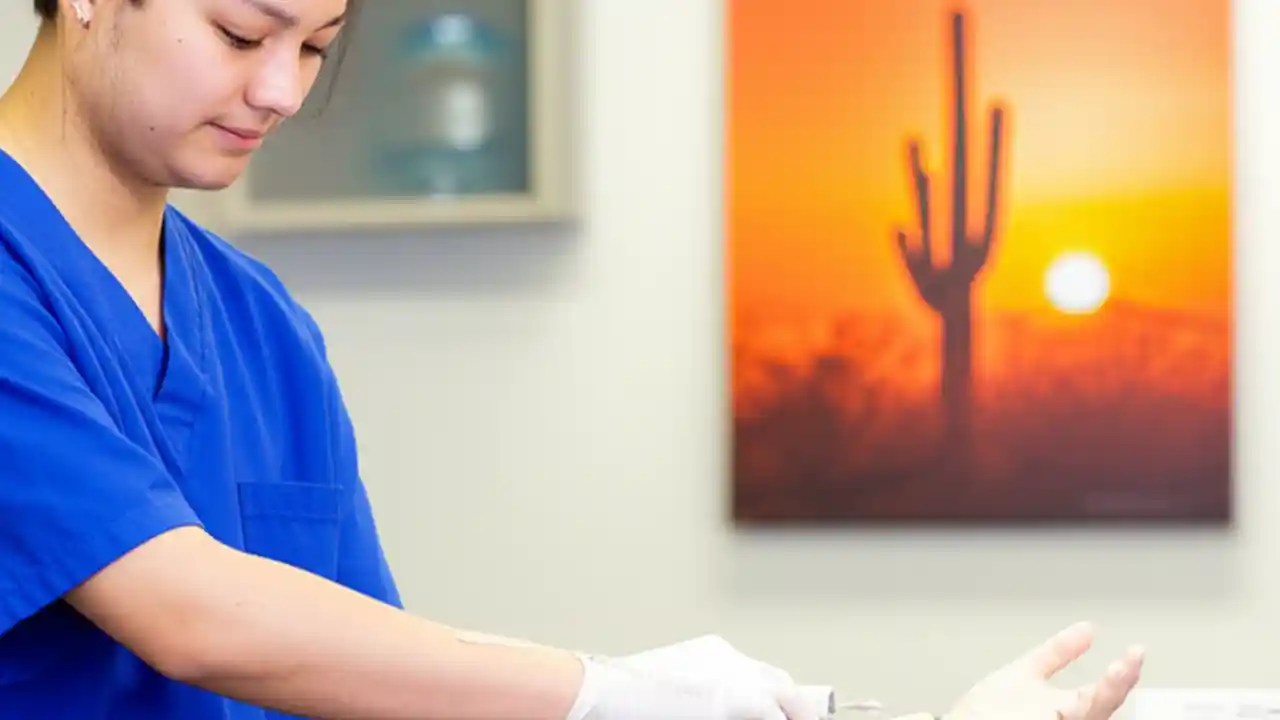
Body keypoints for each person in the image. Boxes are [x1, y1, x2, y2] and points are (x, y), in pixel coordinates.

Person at [0, 0, 1146, 718]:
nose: (282, 90)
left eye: (319, 46)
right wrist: (610, 696)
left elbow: (378, 667)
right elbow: (194, 616)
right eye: (243, 34)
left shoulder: (262, 328)